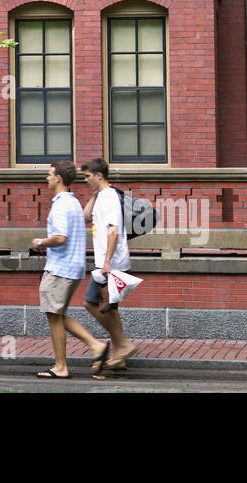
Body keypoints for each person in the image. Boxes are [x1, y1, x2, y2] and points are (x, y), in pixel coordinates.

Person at [31, 160, 104, 378]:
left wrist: (40, 242)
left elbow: (61, 238)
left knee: (54, 315)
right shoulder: (72, 203)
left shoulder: (62, 205)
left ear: (58, 178)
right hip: (72, 267)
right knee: (57, 314)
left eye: (49, 174)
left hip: (60, 269)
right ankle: (94, 347)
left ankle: (62, 366)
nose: (47, 177)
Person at [82, 156, 137, 376]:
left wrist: (106, 262)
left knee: (90, 303)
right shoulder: (101, 196)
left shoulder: (110, 197)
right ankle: (119, 356)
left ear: (99, 175)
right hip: (106, 263)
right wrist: (94, 195)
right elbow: (85, 216)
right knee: (111, 310)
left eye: (87, 176)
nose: (85, 180)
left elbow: (113, 229)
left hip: (110, 264)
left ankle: (123, 345)